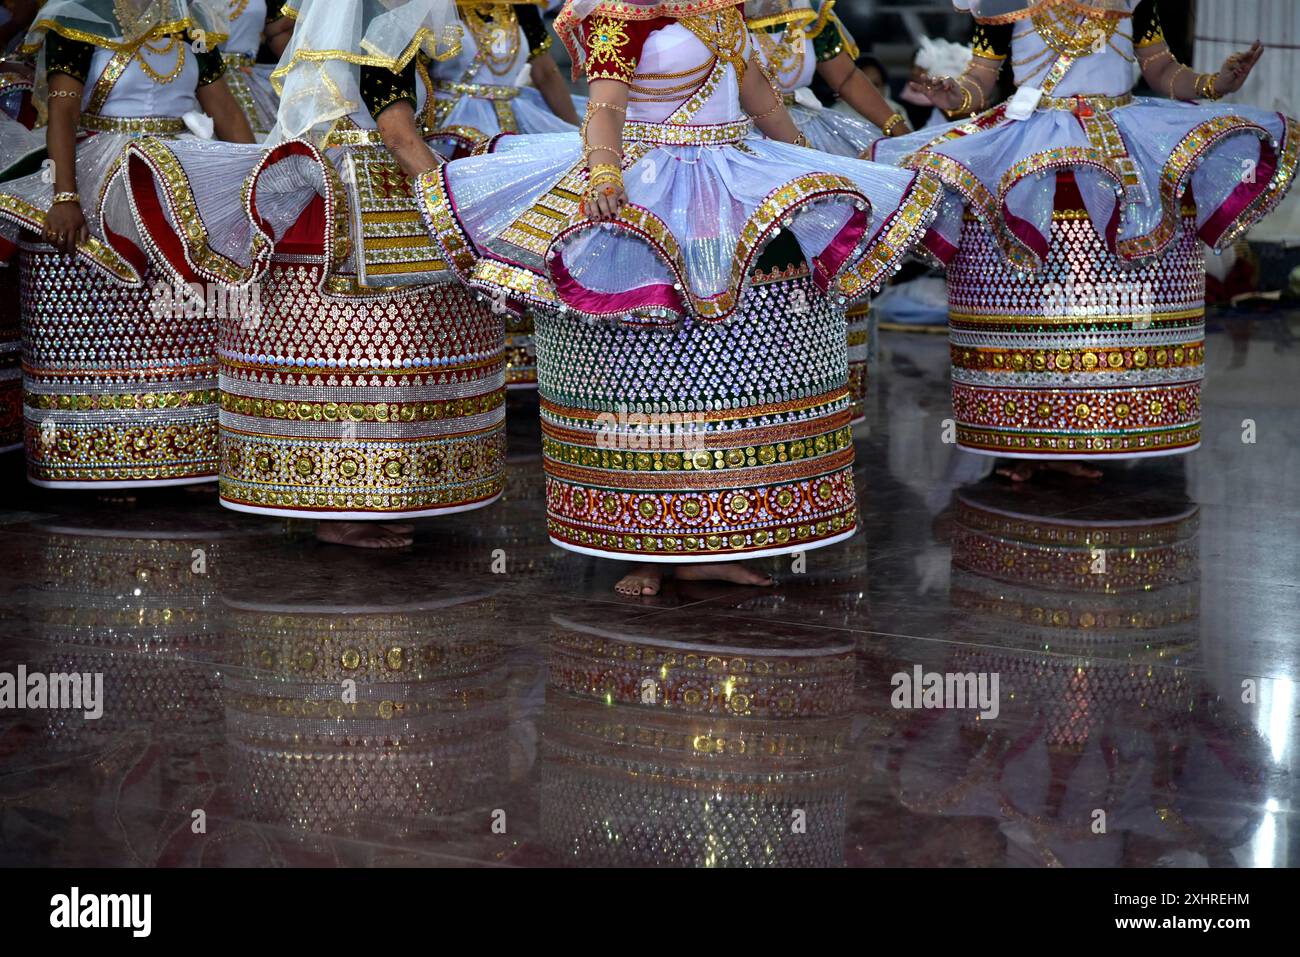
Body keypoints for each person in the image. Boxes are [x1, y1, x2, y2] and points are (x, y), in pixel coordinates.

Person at [418, 0, 944, 595]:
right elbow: (607, 108)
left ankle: (722, 531)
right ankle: (648, 542)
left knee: (738, 358)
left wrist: (811, 163)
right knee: (648, 366)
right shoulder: (621, 18)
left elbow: (761, 99)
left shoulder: (724, 14)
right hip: (650, 183)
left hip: (735, 178)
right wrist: (604, 176)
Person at [108, 0, 513, 548]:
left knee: (366, 353)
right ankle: (345, 507)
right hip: (365, 203)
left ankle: (359, 495)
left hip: (341, 195)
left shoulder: (372, 30)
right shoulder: (382, 38)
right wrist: (459, 205)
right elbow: (398, 138)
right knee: (373, 349)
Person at [874, 0, 1297, 481]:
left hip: (1121, 145)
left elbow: (1160, 69)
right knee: (1029, 305)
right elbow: (979, 81)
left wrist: (1216, 84)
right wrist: (955, 95)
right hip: (1034, 153)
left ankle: (1087, 429)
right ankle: (1020, 441)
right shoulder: (1001, 3)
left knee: (1096, 309)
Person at [0, 0, 253, 489]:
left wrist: (245, 185)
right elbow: (64, 112)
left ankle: (192, 451)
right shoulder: (77, 17)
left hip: (184, 164)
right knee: (113, 302)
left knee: (189, 308)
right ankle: (105, 462)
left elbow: (226, 113)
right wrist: (65, 195)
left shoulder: (190, 23)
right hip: (104, 165)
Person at [746, 1, 913, 426]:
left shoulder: (809, 6)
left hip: (809, 137)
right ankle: (763, 402)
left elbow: (846, 76)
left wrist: (898, 131)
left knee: (835, 258)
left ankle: (830, 401)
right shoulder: (716, 9)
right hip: (745, 143)